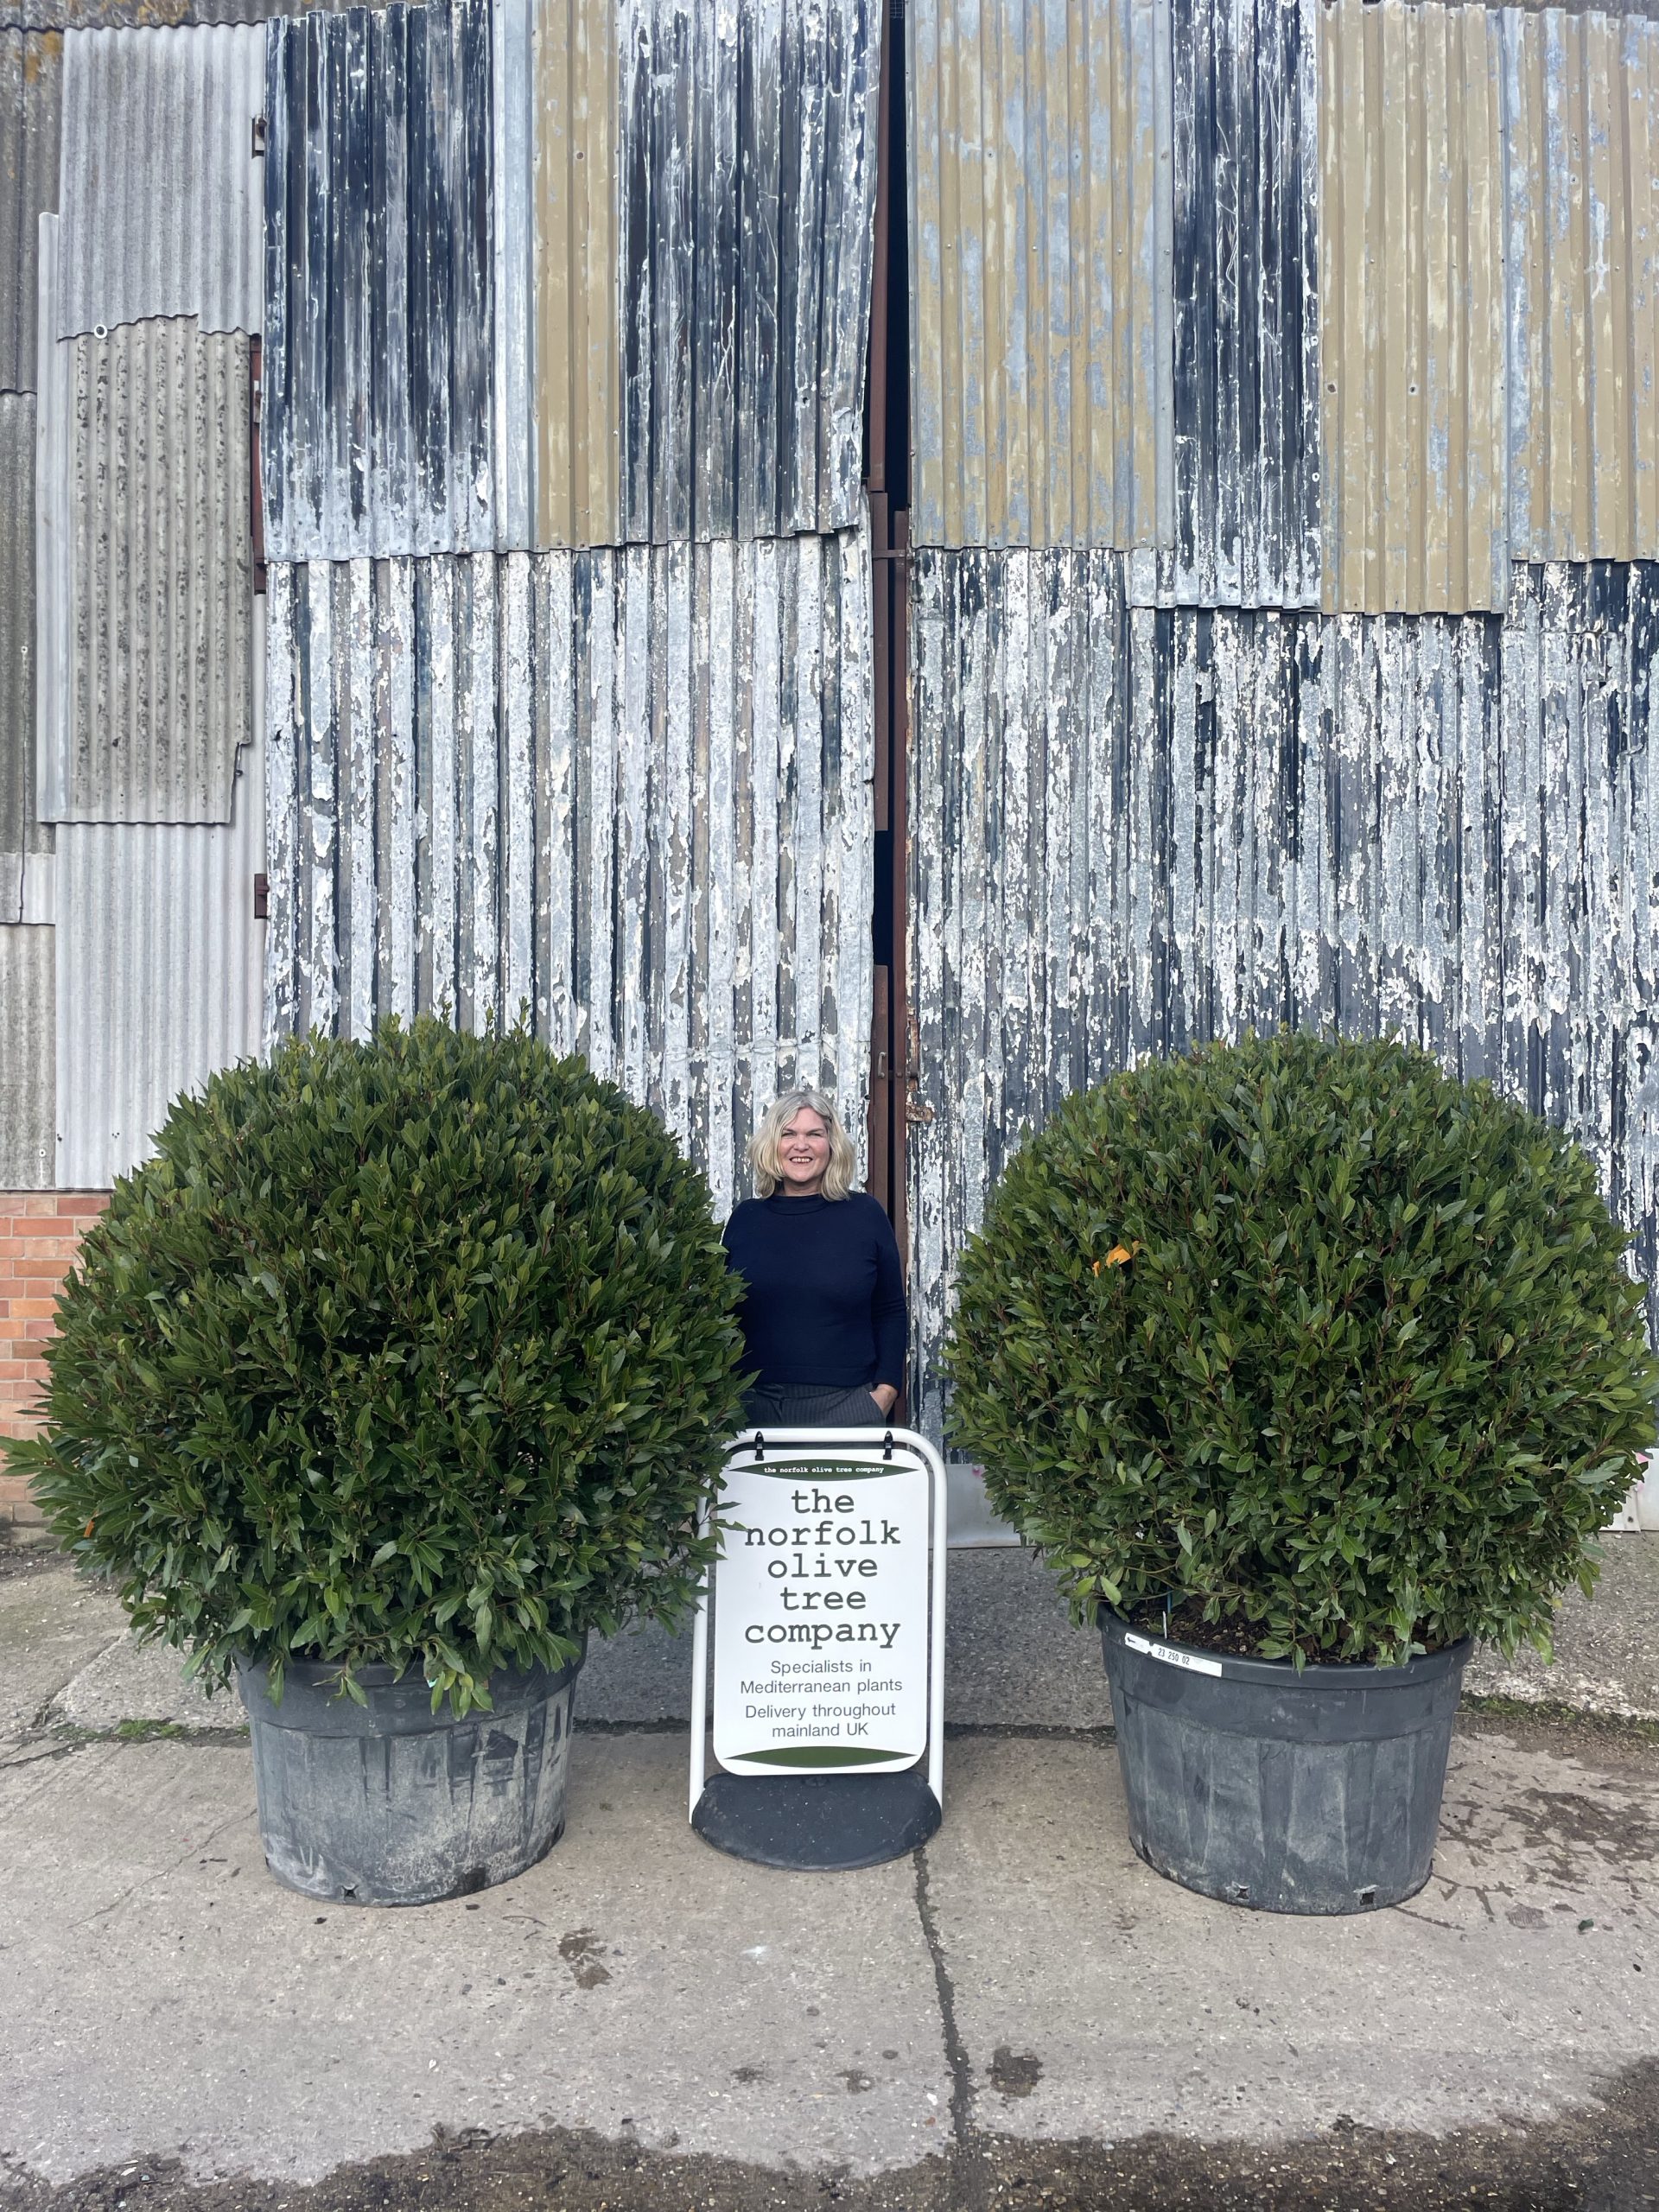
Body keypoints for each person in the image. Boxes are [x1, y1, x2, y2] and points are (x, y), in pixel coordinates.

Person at [721, 1088, 907, 1431]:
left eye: (814, 1134)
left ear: (831, 1144)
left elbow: (890, 1310)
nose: (800, 1145)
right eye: (788, 1134)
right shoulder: (745, 1220)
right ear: (771, 1145)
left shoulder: (865, 1215)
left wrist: (885, 1392)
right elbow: (721, 1314)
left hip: (847, 1407)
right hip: (752, 1409)